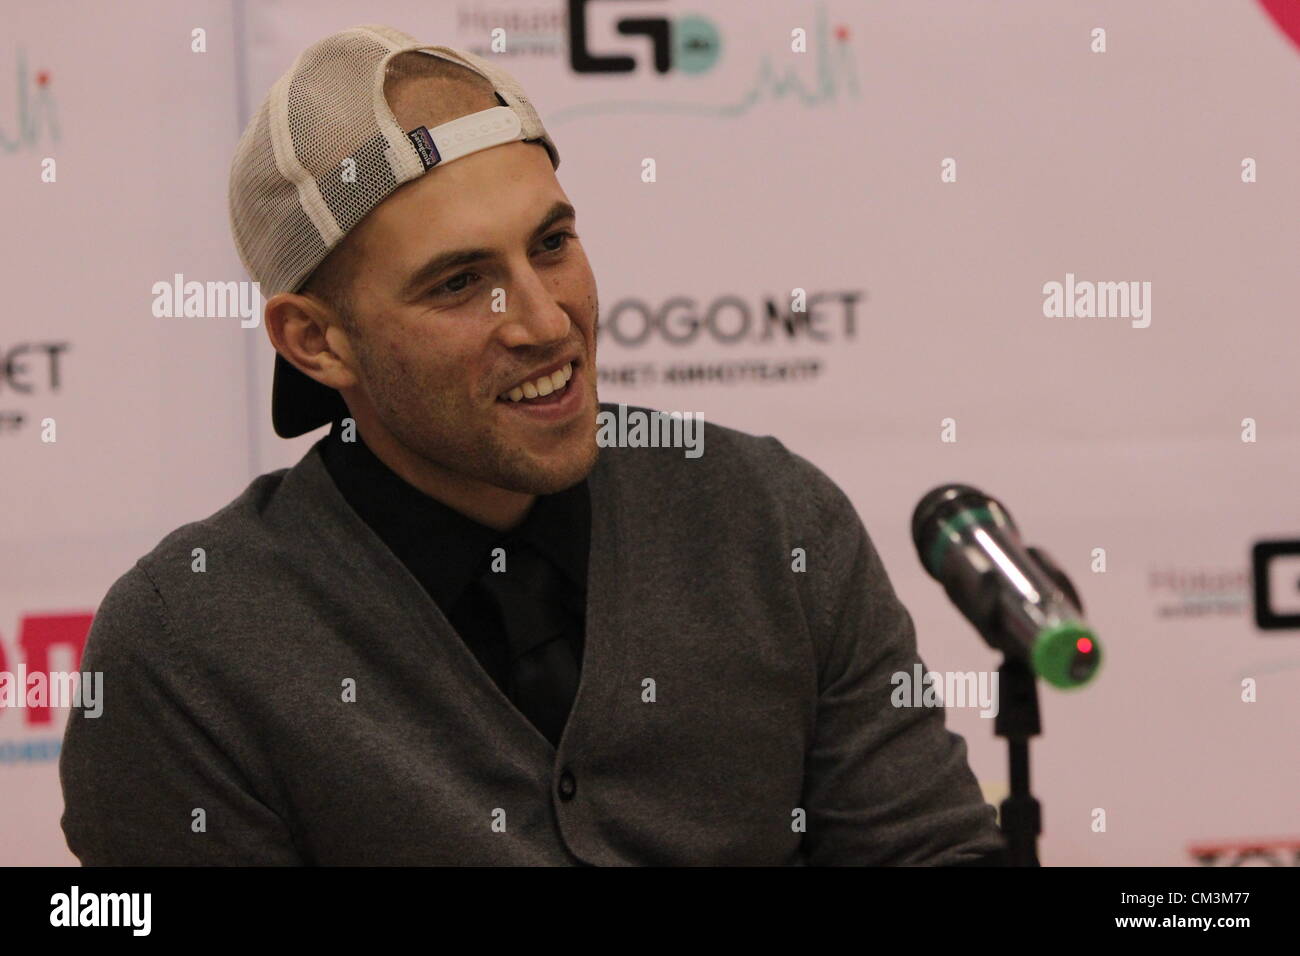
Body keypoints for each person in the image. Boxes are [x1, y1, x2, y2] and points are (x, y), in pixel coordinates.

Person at [58, 25, 1007, 866]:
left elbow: (927, 850)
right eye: (462, 282)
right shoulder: (185, 648)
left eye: (551, 244)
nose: (547, 322)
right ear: (317, 340)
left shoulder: (771, 519)